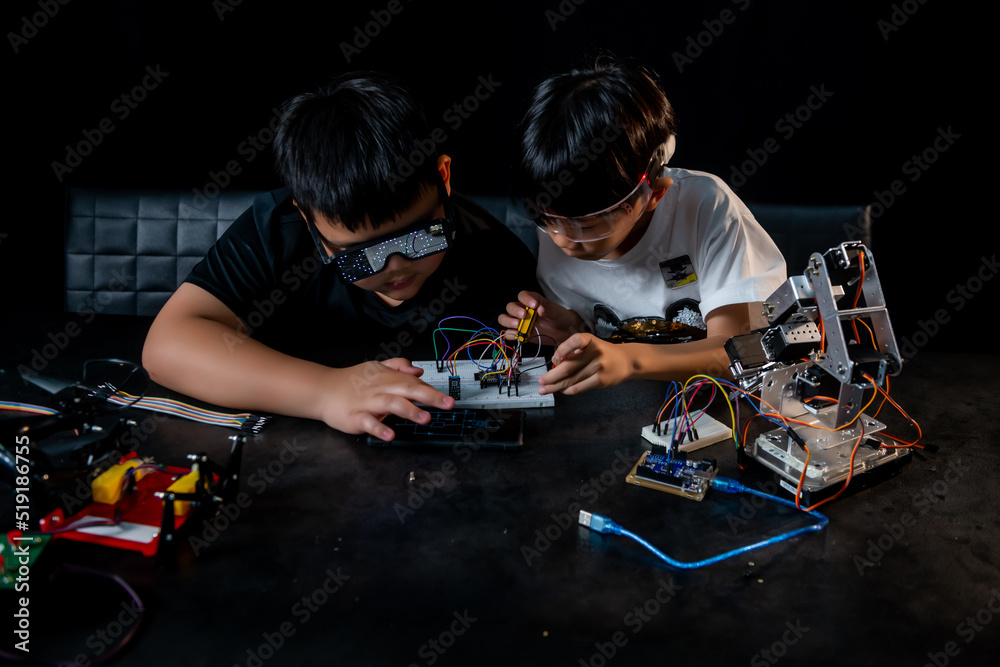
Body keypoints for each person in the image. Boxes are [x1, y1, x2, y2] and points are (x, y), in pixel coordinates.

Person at [143, 72, 537, 441]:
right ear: (307, 215)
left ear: (444, 178)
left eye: (419, 237)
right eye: (359, 253)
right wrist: (325, 391)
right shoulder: (276, 231)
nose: (395, 265)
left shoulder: (492, 253)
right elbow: (166, 347)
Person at [499, 57, 786, 395]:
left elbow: (740, 353)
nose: (563, 241)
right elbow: (598, 334)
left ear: (653, 195)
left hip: (712, 411)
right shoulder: (560, 217)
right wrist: (569, 327)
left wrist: (629, 360)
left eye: (586, 226)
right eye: (547, 220)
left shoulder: (705, 209)